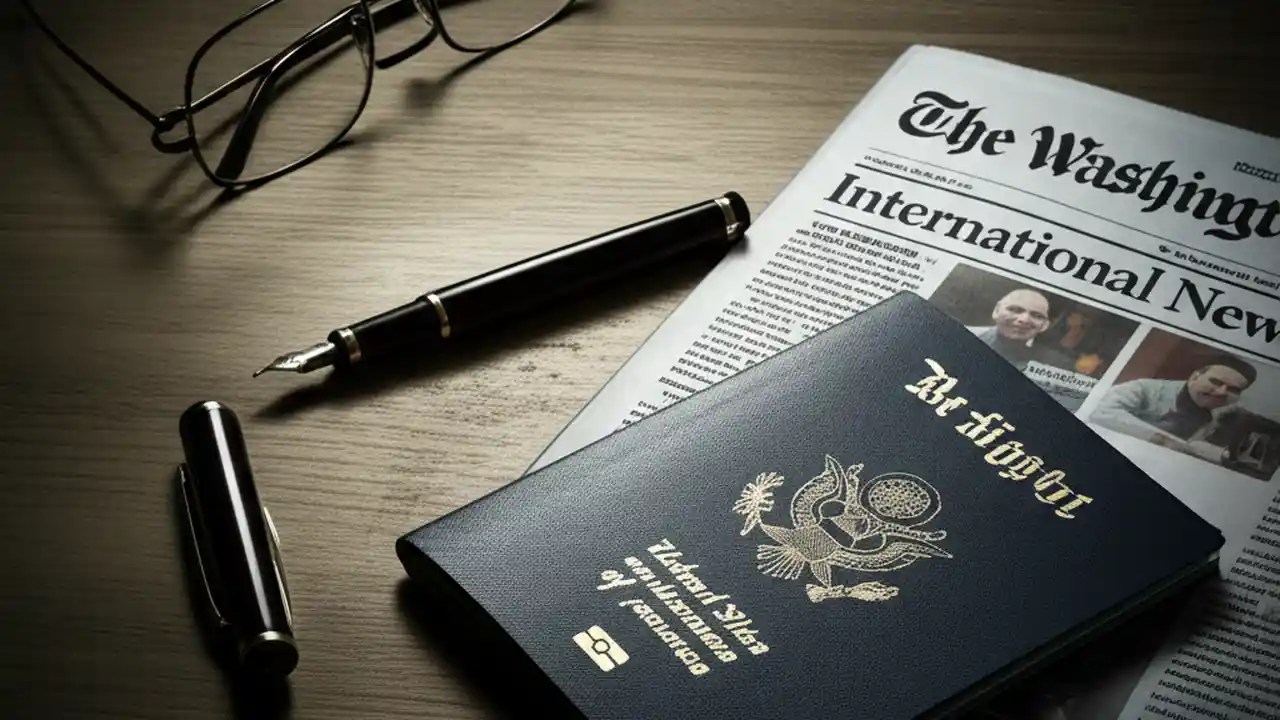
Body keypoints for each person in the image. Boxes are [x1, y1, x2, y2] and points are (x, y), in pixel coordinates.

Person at [1090, 355, 1257, 465]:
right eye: (1216, 382)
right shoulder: (1143, 389)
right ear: (1195, 376)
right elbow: (1100, 410)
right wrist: (1171, 443)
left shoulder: (1217, 416)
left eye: (1233, 390)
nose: (1221, 393)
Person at [966, 289, 1053, 370]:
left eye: (1037, 316)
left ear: (1044, 325)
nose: (1024, 320)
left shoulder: (1048, 363)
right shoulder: (964, 336)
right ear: (996, 311)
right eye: (1015, 310)